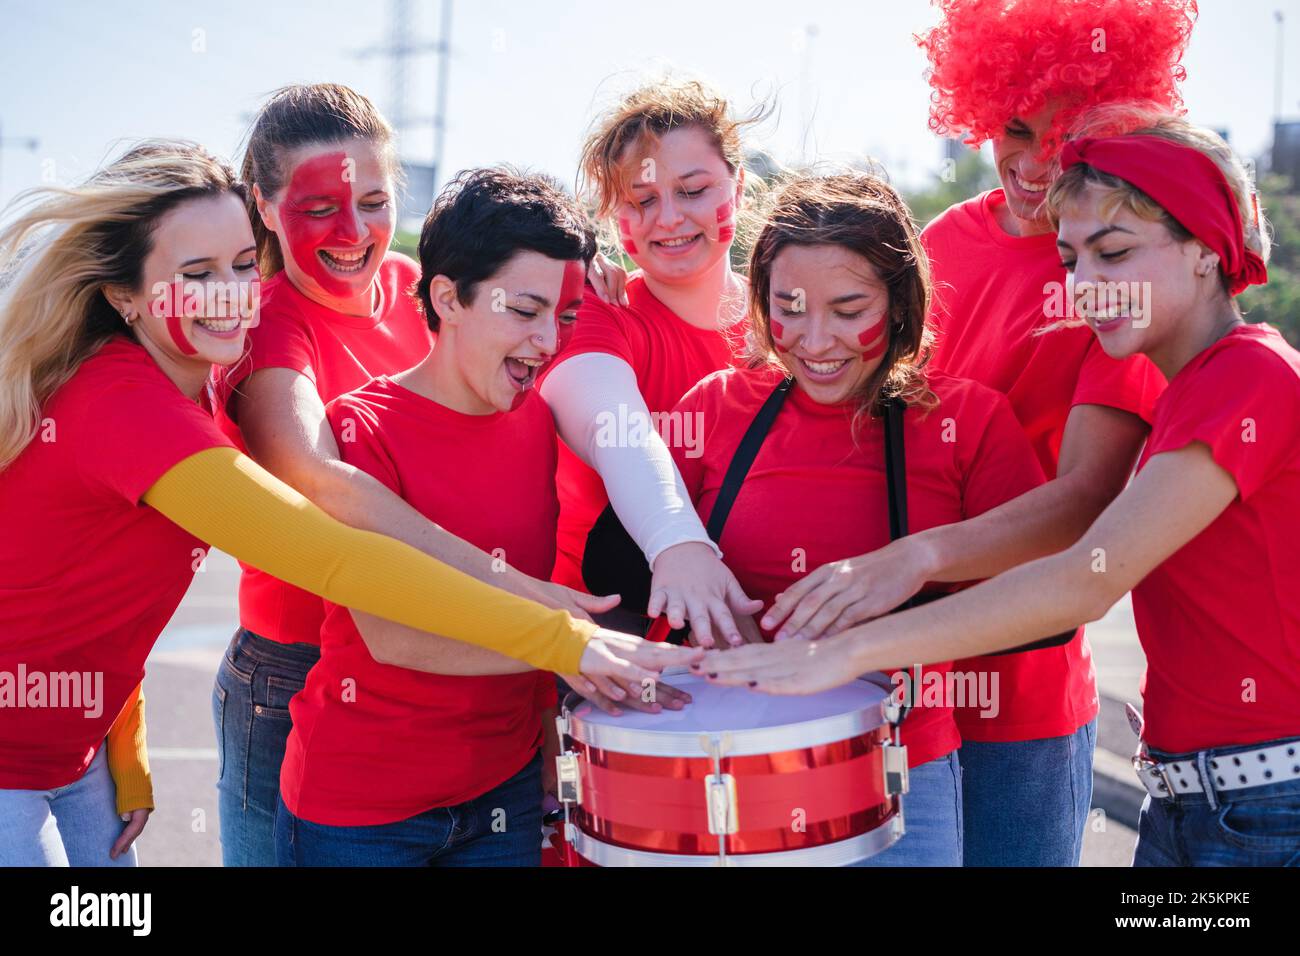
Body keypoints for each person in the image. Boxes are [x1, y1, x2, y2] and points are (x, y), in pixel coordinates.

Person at [0, 140, 696, 868]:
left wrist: (124, 746)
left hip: (76, 762)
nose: (234, 294)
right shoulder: (126, 405)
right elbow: (338, 558)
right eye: (196, 274)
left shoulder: (190, 375)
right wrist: (562, 638)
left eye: (244, 265)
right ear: (123, 295)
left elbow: (89, 602)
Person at [699, 116, 1299, 867]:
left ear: (1208, 250)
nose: (1086, 287)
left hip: (1263, 806)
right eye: (1071, 260)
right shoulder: (1191, 385)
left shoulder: (1249, 374)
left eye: (1114, 254)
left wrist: (847, 649)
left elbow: (1089, 578)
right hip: (1199, 800)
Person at [761, 0, 1195, 866]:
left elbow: (1084, 507)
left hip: (1018, 691)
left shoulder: (1122, 268)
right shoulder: (941, 241)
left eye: (1067, 135)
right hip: (885, 680)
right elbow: (836, 387)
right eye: (1014, 127)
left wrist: (914, 559)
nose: (1034, 164)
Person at [211, 84, 623, 866]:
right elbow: (317, 479)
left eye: (372, 200)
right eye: (318, 206)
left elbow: (522, 306)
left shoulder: (419, 286)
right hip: (302, 661)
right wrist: (514, 594)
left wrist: (598, 282)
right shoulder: (267, 326)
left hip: (464, 677)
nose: (353, 231)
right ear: (262, 206)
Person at [668, 173, 1046, 865]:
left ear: (900, 304)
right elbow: (628, 583)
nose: (816, 340)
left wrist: (910, 578)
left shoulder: (970, 419)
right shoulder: (712, 407)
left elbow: (1047, 606)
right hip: (721, 767)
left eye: (849, 310)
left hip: (904, 774)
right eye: (790, 307)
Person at [538, 77, 768, 651]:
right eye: (641, 201)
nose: (668, 219)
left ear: (736, 189)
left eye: (693, 191)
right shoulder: (596, 312)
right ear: (616, 218)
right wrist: (677, 542)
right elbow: (614, 427)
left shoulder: (792, 327)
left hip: (767, 641)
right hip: (607, 643)